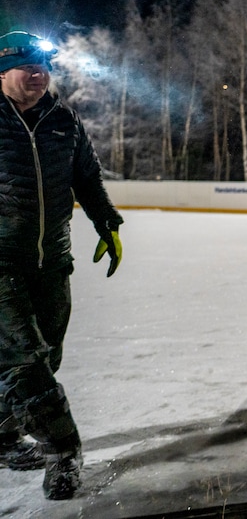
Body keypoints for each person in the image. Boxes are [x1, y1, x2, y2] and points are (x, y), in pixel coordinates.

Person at [0, 31, 123, 500]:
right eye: (26, 65)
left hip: (52, 259)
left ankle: (4, 435)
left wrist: (107, 223)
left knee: (46, 356)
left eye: (43, 66)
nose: (37, 73)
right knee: (26, 361)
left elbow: (87, 179)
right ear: (2, 72)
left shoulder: (64, 120)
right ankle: (63, 451)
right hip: (2, 261)